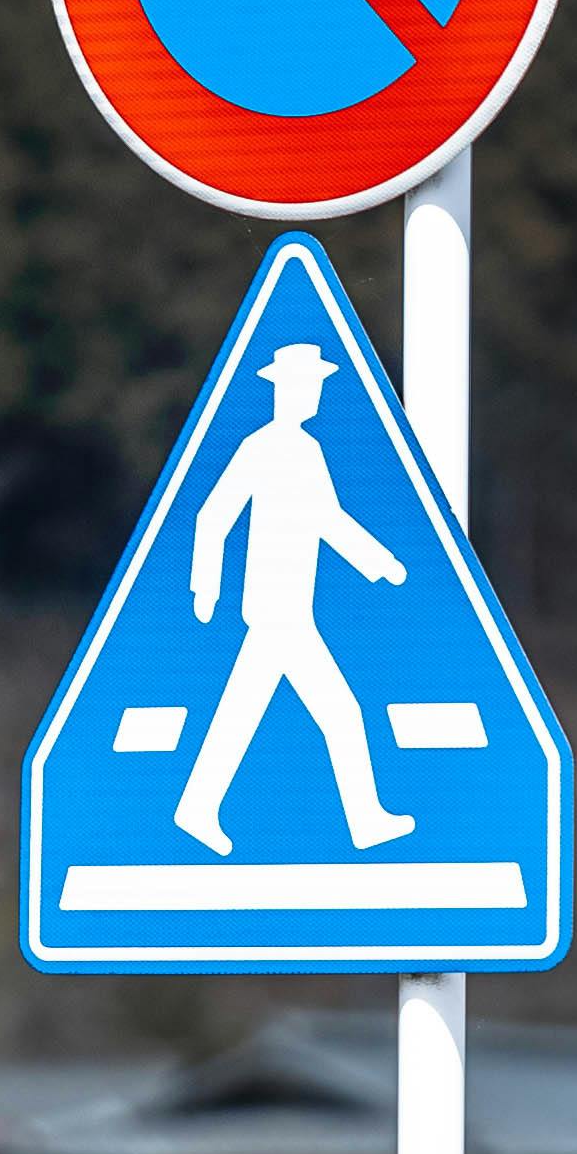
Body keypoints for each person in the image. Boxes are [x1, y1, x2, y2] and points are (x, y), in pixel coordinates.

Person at [172, 338, 414, 855]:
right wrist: (204, 587)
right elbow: (212, 514)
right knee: (340, 713)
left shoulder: (308, 450)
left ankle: (197, 808)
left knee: (246, 713)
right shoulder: (260, 447)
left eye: (318, 385)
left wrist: (380, 562)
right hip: (274, 611)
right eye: (309, 385)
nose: (316, 394)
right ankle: (364, 821)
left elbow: (329, 519)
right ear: (285, 389)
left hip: (289, 610)